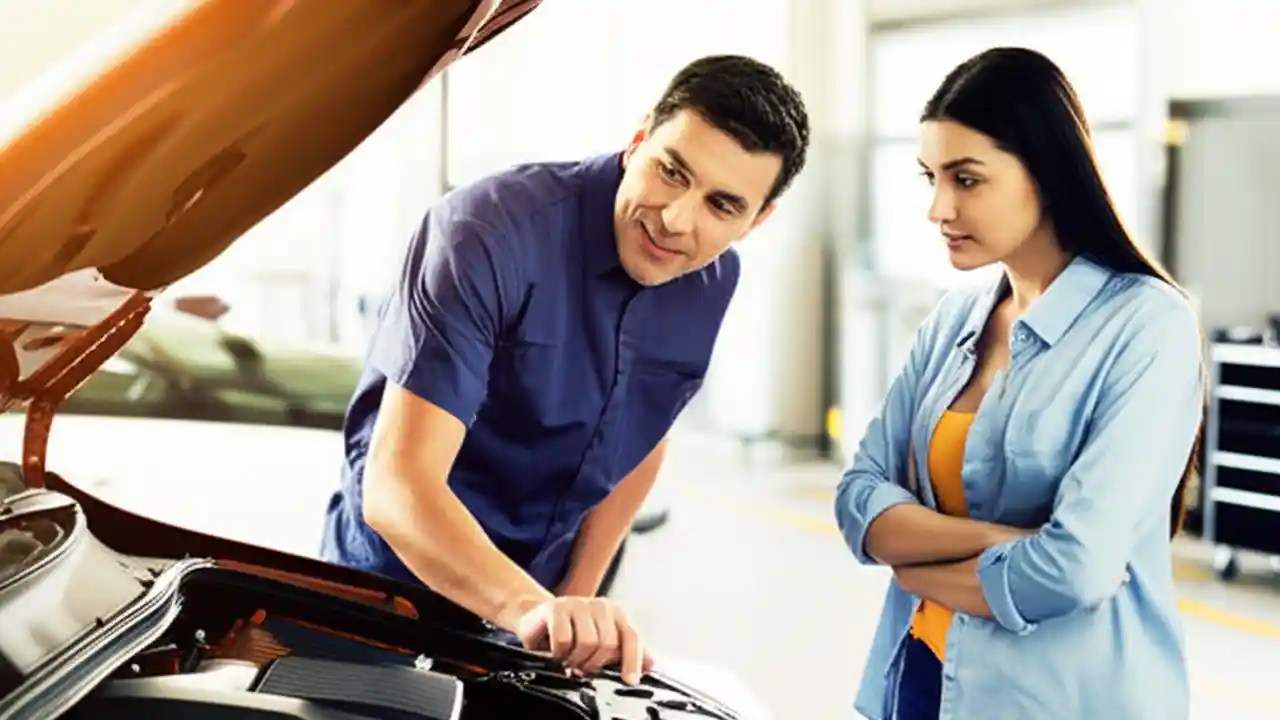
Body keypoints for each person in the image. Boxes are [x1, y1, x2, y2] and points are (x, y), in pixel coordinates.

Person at [321, 54, 810, 686]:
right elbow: (397, 485)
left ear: (756, 220)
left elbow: (643, 435)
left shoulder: (711, 279)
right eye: (670, 172)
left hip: (540, 614)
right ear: (638, 139)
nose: (676, 219)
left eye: (722, 205)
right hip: (393, 598)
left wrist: (576, 596)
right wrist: (534, 609)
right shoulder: (484, 233)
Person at [834, 47, 1203, 719]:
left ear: (1049, 172)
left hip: (1059, 700)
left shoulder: (1149, 325)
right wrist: (1005, 543)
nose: (938, 208)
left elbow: (1078, 568)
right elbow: (858, 500)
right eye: (930, 177)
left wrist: (916, 564)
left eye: (966, 179)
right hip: (919, 678)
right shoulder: (952, 320)